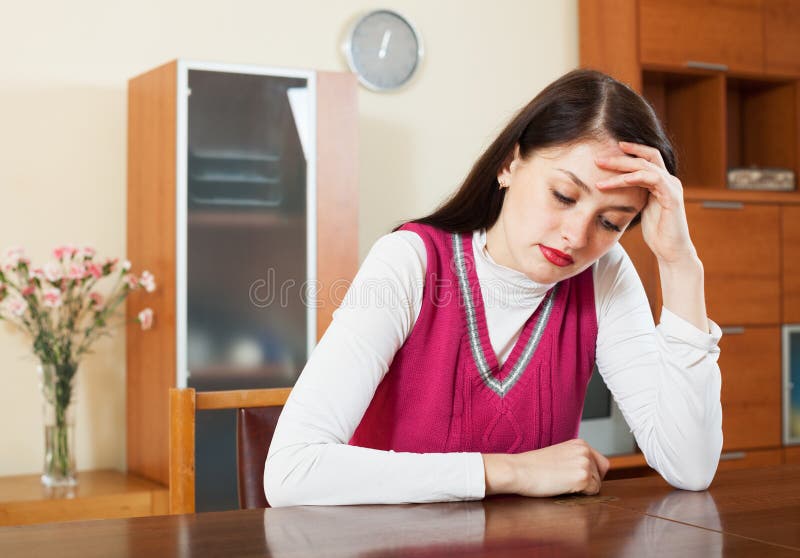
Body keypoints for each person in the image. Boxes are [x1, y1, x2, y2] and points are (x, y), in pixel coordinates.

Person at [264, 69, 723, 507]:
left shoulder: (603, 273)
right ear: (509, 164)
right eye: (563, 196)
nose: (578, 237)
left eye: (611, 222)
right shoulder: (410, 262)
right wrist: (511, 472)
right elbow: (291, 470)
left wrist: (679, 263)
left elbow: (691, 467)